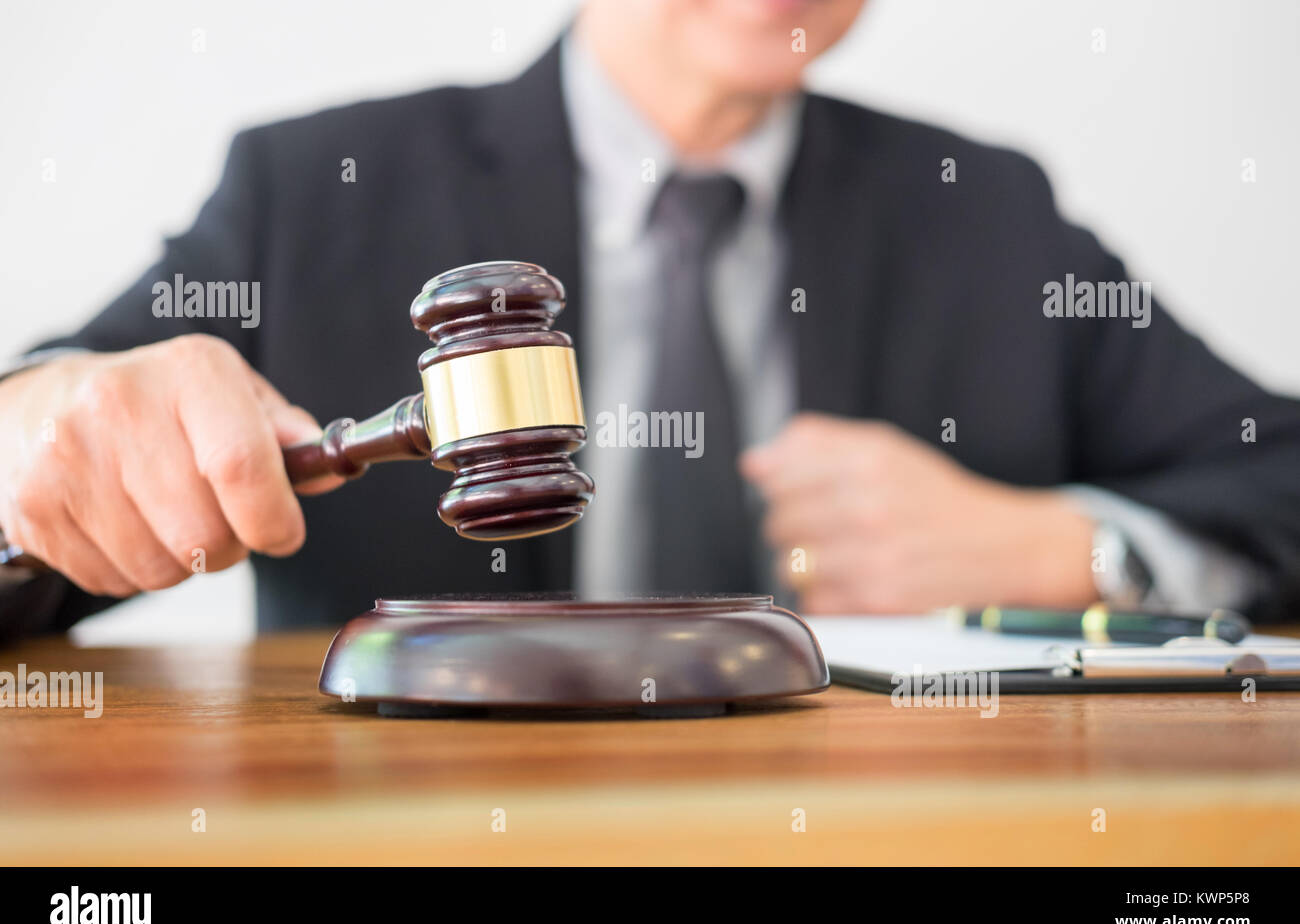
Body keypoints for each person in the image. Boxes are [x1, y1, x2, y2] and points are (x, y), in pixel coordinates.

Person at [2, 0, 1298, 638]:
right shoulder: (308, 192)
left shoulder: (989, 211)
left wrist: (1067, 559)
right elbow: (61, 448)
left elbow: (1282, 469)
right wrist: (29, 430)